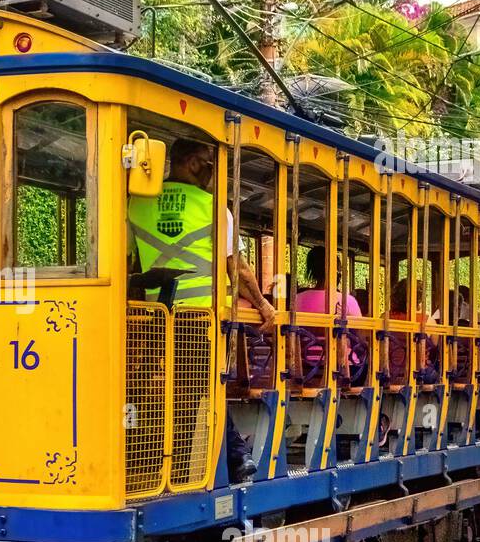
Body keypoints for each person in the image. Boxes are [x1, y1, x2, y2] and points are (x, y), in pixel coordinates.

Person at [128, 137, 277, 485]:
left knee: (167, 390)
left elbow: (132, 263)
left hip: (155, 317)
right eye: (210, 164)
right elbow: (237, 269)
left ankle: (168, 458)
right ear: (194, 163)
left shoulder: (136, 204)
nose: (213, 172)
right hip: (200, 319)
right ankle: (231, 455)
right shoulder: (213, 209)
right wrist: (262, 304)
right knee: (201, 389)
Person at [294, 246, 364, 317]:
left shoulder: (297, 299)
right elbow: (361, 327)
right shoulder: (347, 301)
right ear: (335, 272)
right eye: (339, 271)